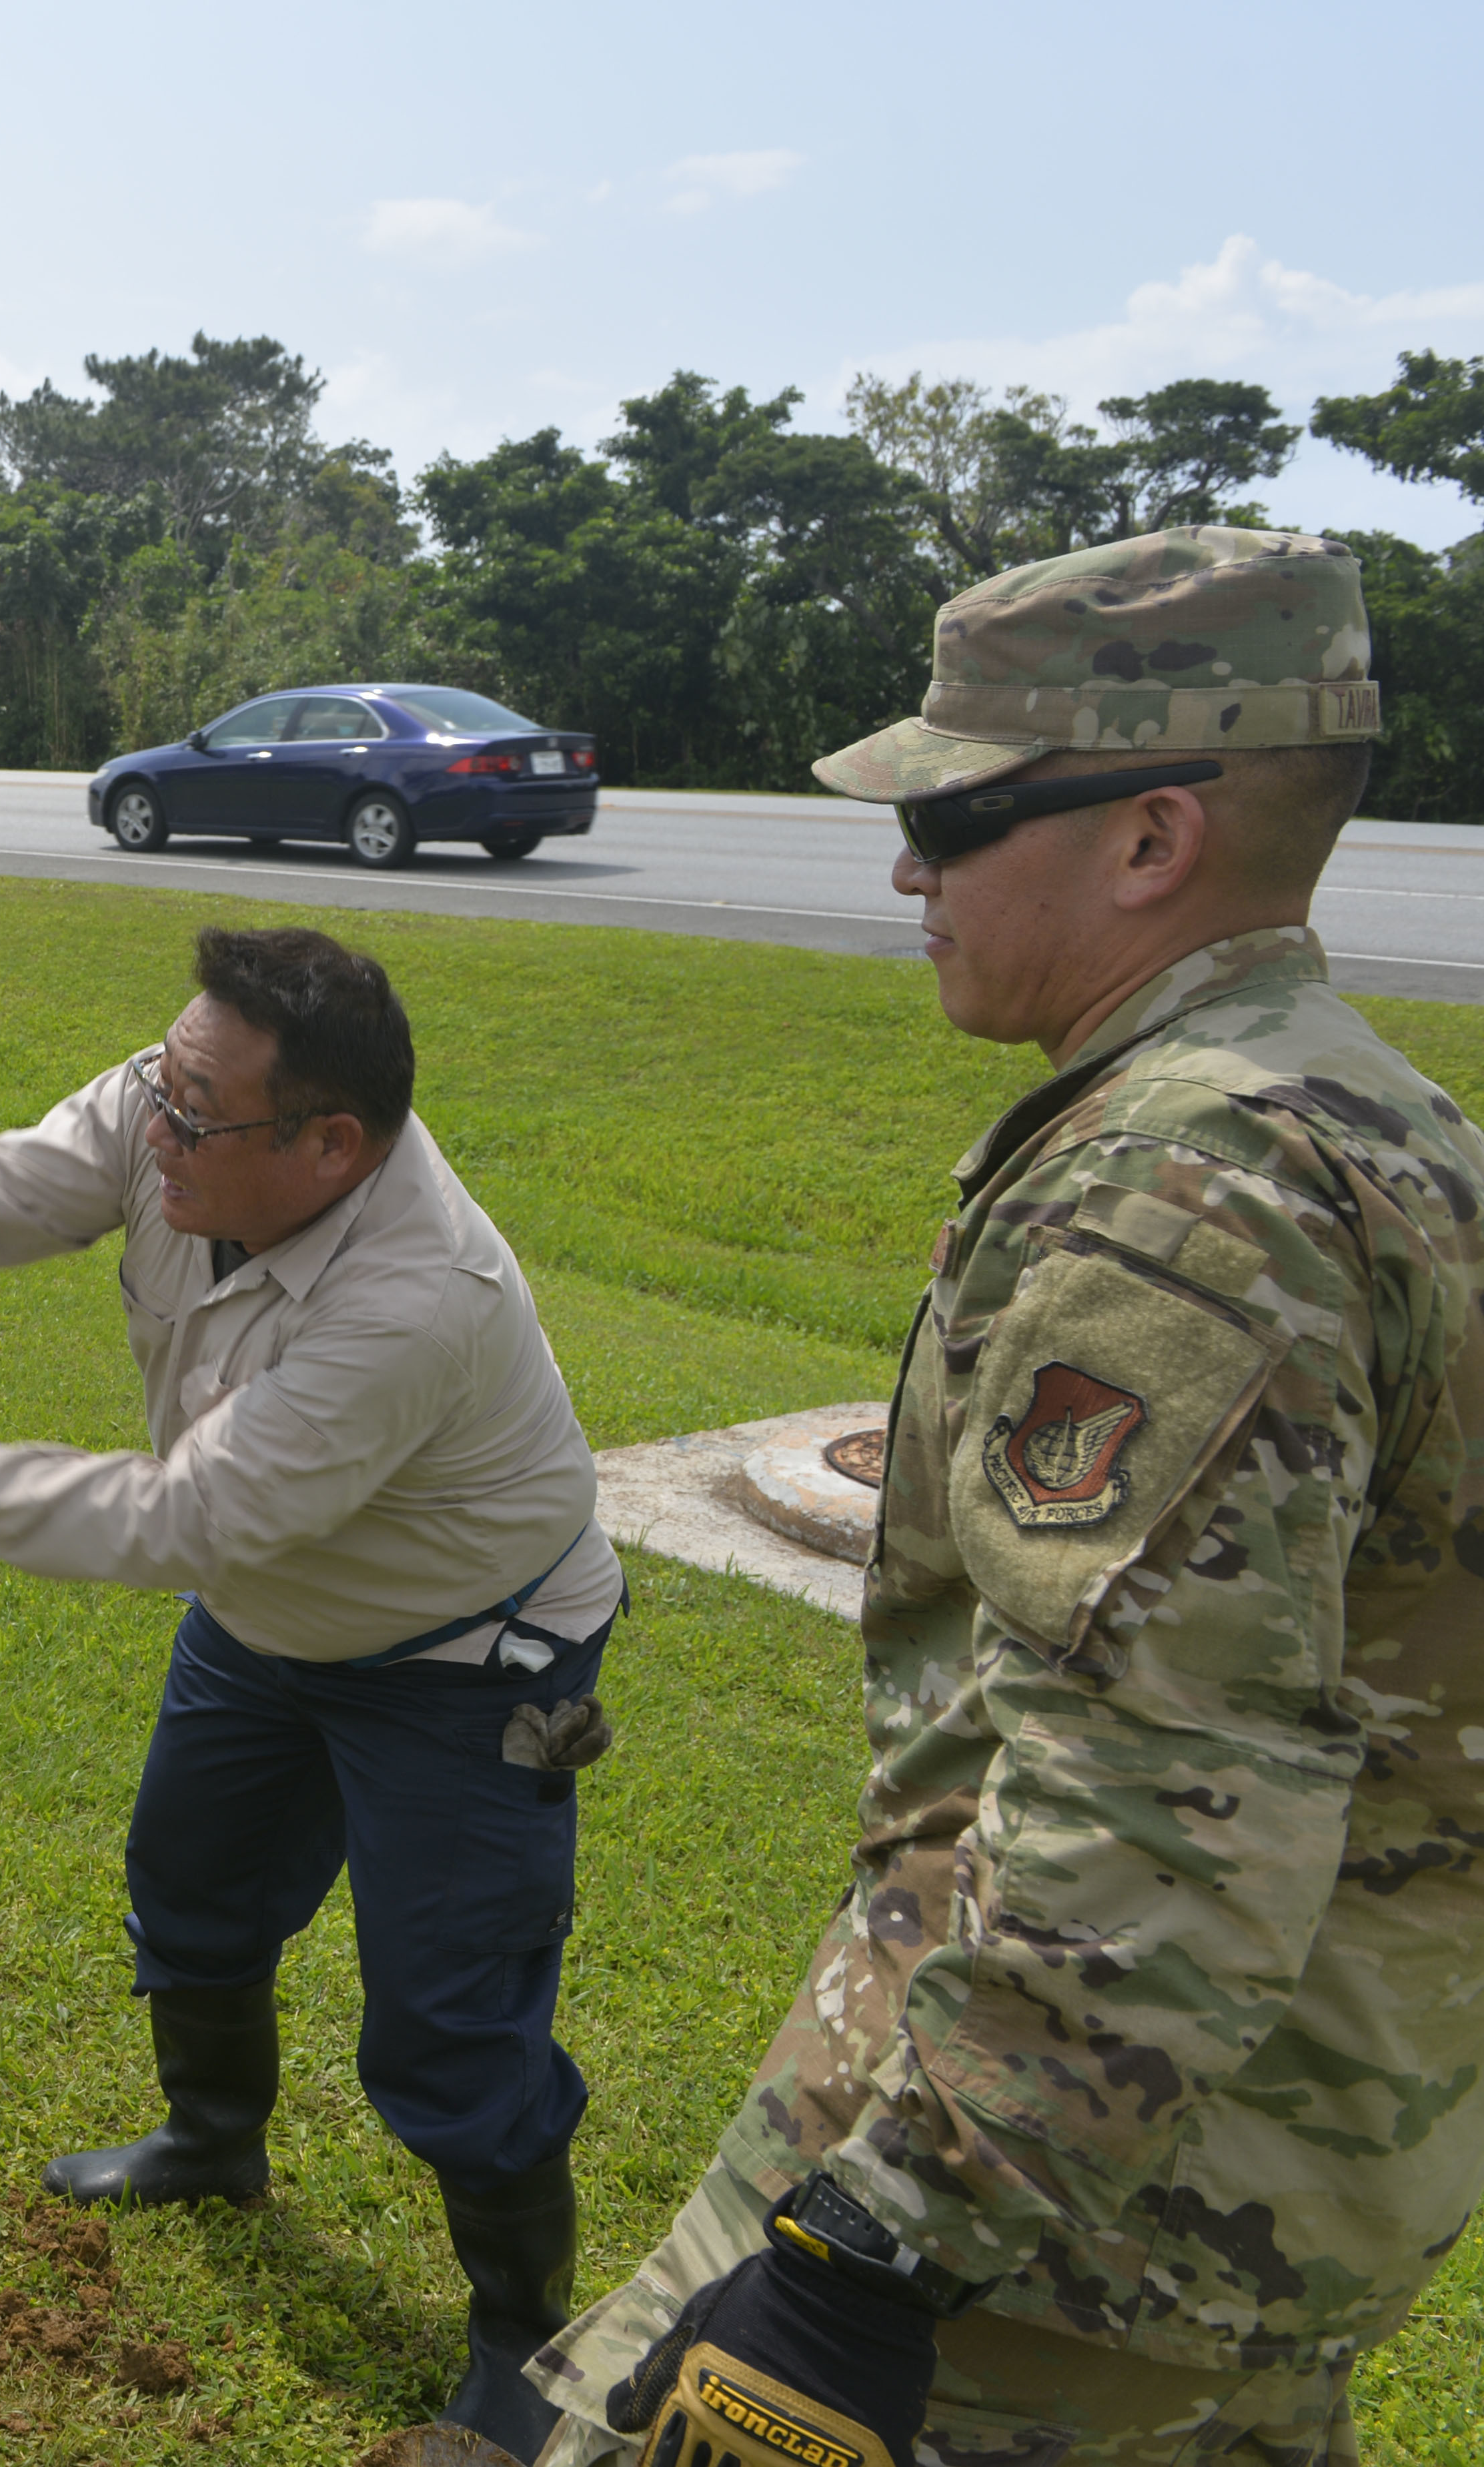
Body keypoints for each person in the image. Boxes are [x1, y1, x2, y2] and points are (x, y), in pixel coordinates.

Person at [526, 529, 1475, 2466]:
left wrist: (868, 2250)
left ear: (1146, 840)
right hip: (1305, 2128)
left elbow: (1157, 1809)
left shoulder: (1177, 1196)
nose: (903, 867)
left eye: (952, 812)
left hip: (1076, 2212)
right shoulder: (1388, 1118)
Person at [0, 924, 626, 2456]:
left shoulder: (421, 1297)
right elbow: (22, 1178)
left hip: (463, 1658)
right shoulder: (183, 1111)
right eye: (163, 1080)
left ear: (330, 1143)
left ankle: (522, 2336)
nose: (155, 1126)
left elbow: (181, 1517)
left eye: (193, 1110)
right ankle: (213, 2144)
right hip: (271, 1612)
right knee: (191, 1879)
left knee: (444, 2009)